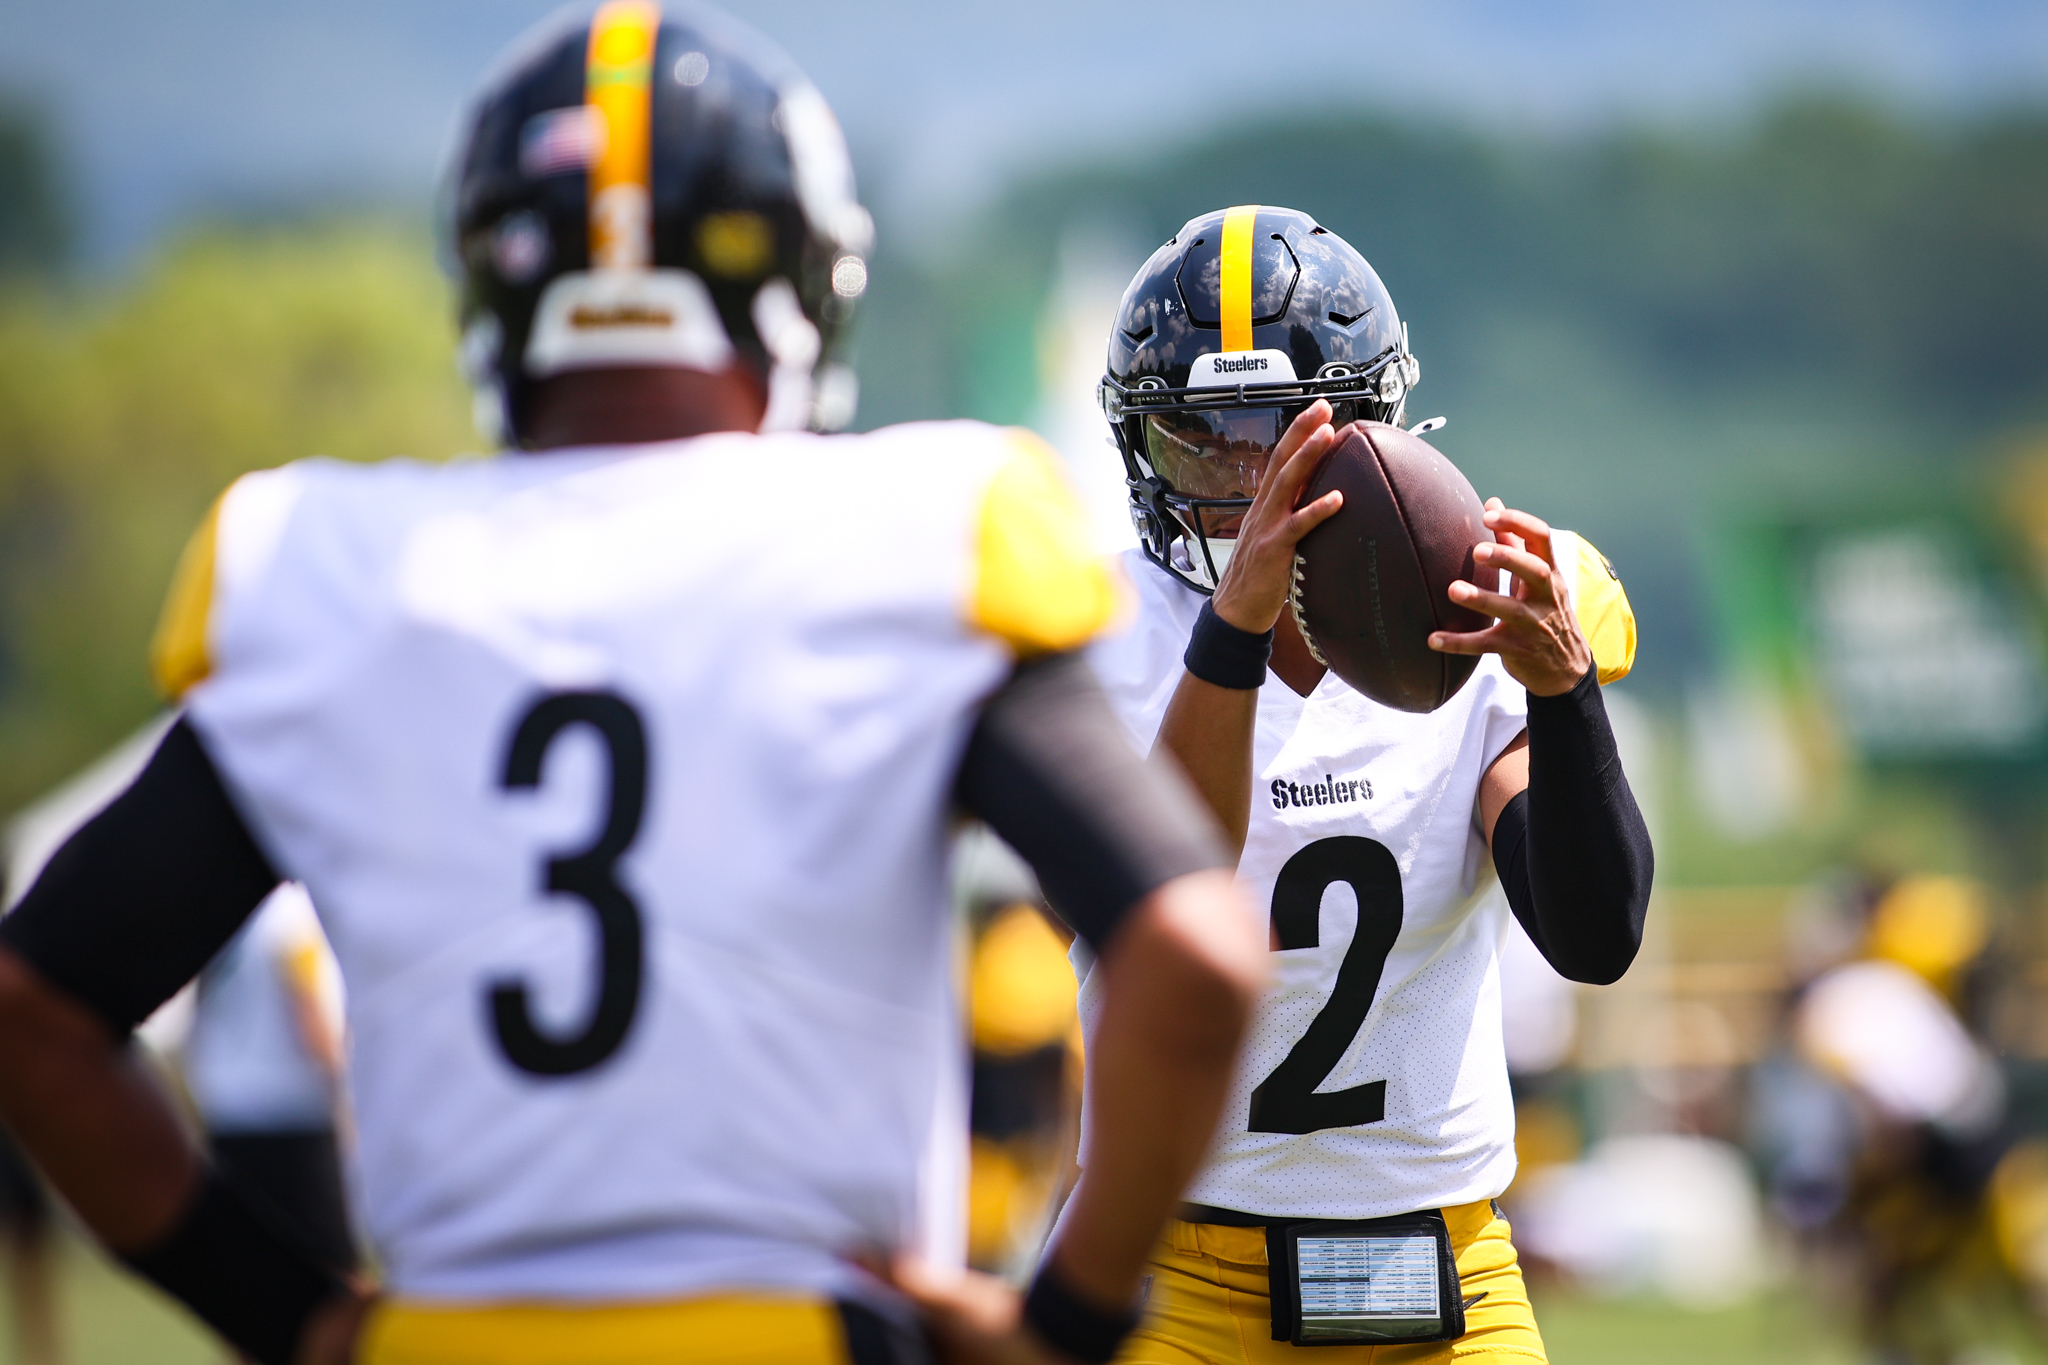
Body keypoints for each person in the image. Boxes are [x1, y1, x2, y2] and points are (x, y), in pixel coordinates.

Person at [0, 11, 1266, 1365]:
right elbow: (1194, 957)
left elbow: (36, 1014)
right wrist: (1069, 1324)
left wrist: (293, 1318)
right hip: (802, 1333)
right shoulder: (920, 528)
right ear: (803, 276)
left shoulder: (335, 574)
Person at [1072, 205, 1655, 1364]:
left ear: (1374, 434)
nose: (1248, 483)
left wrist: (1562, 687)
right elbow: (1157, 900)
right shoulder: (1101, 632)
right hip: (1173, 1264)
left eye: (1282, 437)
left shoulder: (1475, 610)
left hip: (1445, 1264)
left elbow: (1592, 934)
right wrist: (1231, 633)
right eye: (1202, 440)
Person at [184, 883, 358, 1281]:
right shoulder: (292, 913)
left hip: (230, 1112)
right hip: (292, 1116)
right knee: (338, 1279)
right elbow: (311, 1014)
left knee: (251, 1283)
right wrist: (348, 1102)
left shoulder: (234, 911)